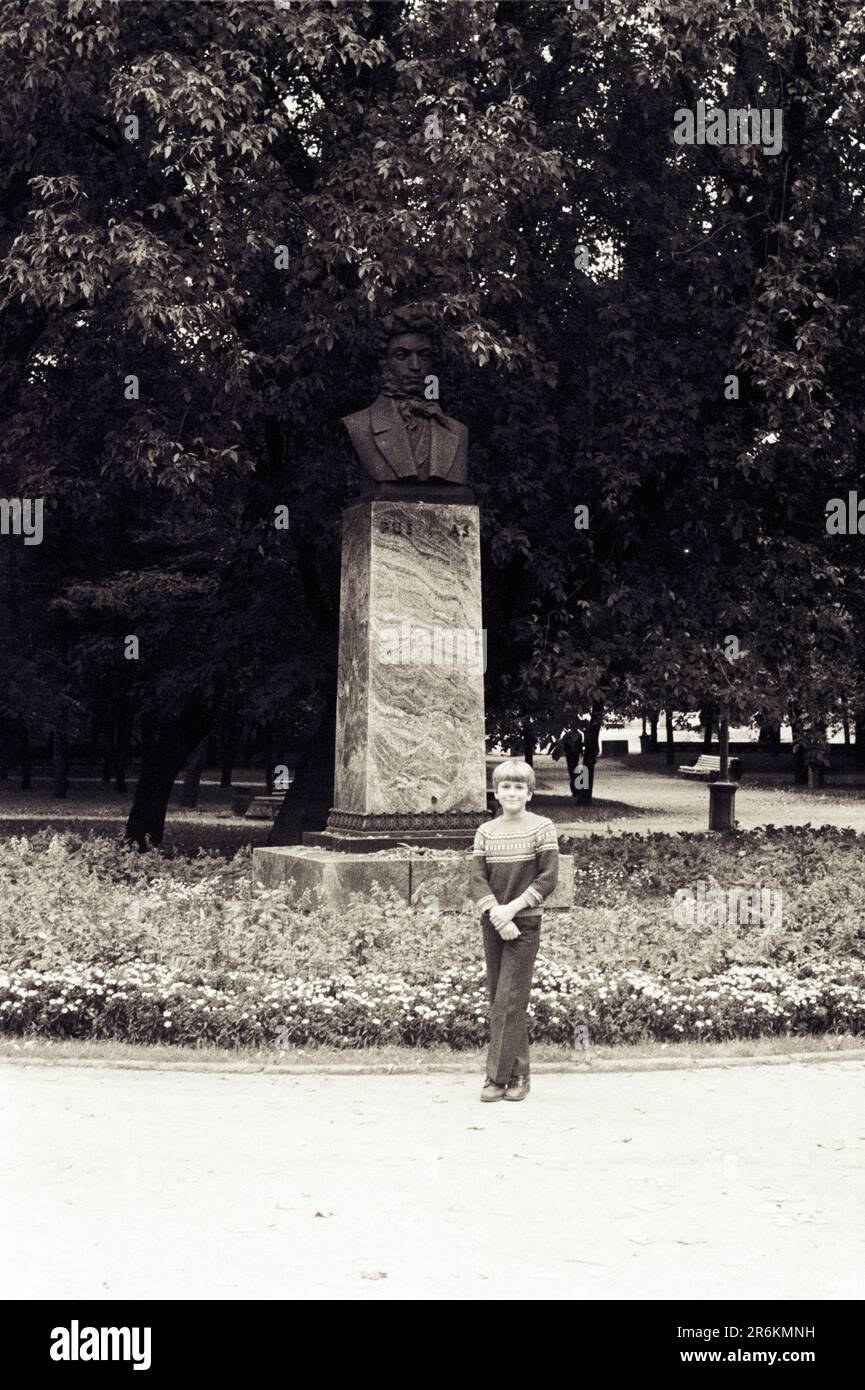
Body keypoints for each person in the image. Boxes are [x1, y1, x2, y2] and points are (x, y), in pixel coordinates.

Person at [470, 759, 559, 1103]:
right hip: (493, 921)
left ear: (530, 793)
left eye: (519, 787)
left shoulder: (542, 828)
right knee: (501, 999)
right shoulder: (485, 832)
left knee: (509, 1000)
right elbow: (477, 879)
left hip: (524, 921)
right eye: (505, 786)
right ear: (496, 790)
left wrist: (512, 910)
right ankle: (520, 1074)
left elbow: (548, 878)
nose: (511, 792)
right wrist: (496, 914)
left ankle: (496, 1078)